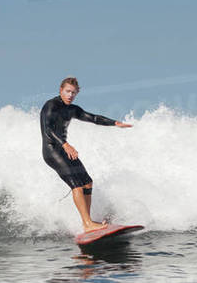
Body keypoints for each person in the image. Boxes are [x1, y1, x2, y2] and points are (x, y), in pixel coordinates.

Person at [40, 77, 131, 231]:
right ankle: (88, 223)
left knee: (87, 182)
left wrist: (115, 123)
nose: (70, 95)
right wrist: (65, 144)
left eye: (73, 93)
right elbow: (48, 130)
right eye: (67, 91)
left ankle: (87, 222)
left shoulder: (72, 109)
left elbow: (93, 118)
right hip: (52, 151)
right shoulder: (51, 106)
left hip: (64, 150)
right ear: (61, 90)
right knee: (76, 185)